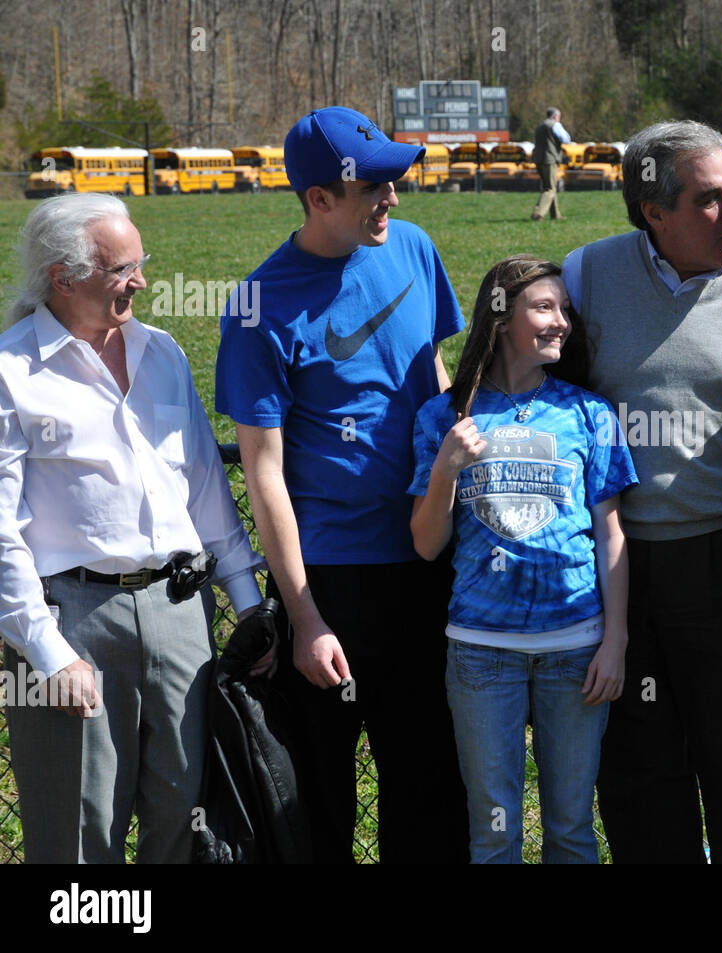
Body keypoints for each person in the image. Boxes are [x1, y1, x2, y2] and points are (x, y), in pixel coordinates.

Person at [562, 119, 722, 863]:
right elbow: (541, 398)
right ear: (653, 211)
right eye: (710, 199)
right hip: (613, 565)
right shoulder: (585, 275)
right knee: (639, 767)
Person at [214, 106, 469, 863]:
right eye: (374, 187)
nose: (392, 198)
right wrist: (305, 613)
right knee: (319, 789)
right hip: (333, 576)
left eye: (397, 180)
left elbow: (435, 378)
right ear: (318, 199)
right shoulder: (260, 304)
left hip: (424, 557)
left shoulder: (414, 248)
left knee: (429, 777)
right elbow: (263, 472)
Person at [0, 193, 263, 863]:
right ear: (64, 275)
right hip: (74, 617)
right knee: (80, 832)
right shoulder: (11, 371)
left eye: (141, 263)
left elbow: (205, 489)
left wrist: (251, 605)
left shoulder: (163, 352)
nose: (142, 280)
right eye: (123, 269)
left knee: (184, 814)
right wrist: (48, 652)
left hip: (180, 613)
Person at [409, 255, 637, 863]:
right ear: (501, 315)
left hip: (577, 649)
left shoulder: (590, 414)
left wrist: (614, 642)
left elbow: (610, 533)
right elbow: (427, 543)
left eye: (565, 310)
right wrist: (445, 470)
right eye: (544, 307)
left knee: (571, 829)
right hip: (483, 652)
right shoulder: (444, 416)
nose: (561, 321)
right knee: (493, 833)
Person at [532, 107, 571, 221]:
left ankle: (555, 215)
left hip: (538, 159)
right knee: (550, 189)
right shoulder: (555, 125)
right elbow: (566, 139)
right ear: (556, 116)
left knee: (549, 186)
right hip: (550, 160)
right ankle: (538, 213)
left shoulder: (539, 127)